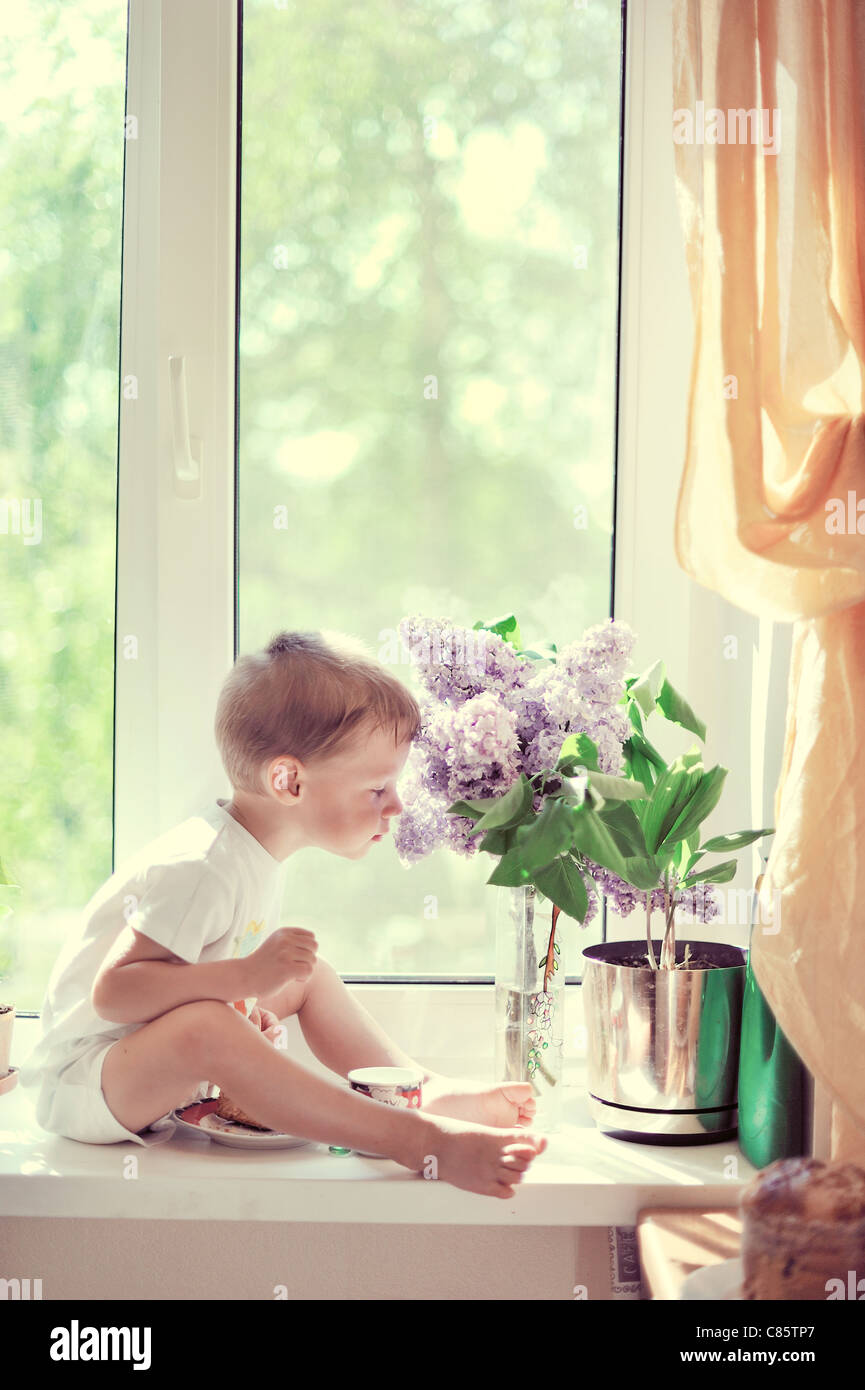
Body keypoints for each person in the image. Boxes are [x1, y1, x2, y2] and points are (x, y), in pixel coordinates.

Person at [20, 630, 547, 1199]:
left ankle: (415, 1088)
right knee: (211, 1025)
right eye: (376, 789)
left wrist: (243, 1001)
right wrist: (241, 983)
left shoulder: (254, 853)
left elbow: (192, 980)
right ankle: (416, 1137)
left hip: (141, 1062)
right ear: (289, 781)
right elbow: (116, 994)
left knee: (302, 975)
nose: (395, 805)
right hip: (84, 1083)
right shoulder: (204, 866)